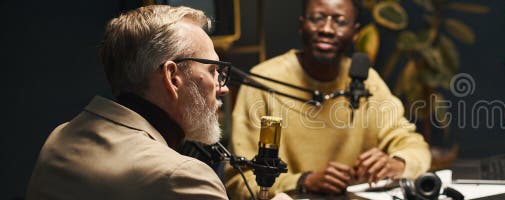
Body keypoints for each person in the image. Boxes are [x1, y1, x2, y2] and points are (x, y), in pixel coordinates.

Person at [224, 0, 431, 197]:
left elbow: (415, 147)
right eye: (317, 18)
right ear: (301, 25)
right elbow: (239, 182)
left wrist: (398, 164)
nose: (327, 29)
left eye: (340, 21)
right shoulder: (262, 83)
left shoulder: (367, 83)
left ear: (355, 33)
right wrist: (303, 182)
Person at [26, 5, 232, 199]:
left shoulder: (58, 138)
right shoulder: (184, 177)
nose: (223, 88)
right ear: (172, 77)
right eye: (212, 71)